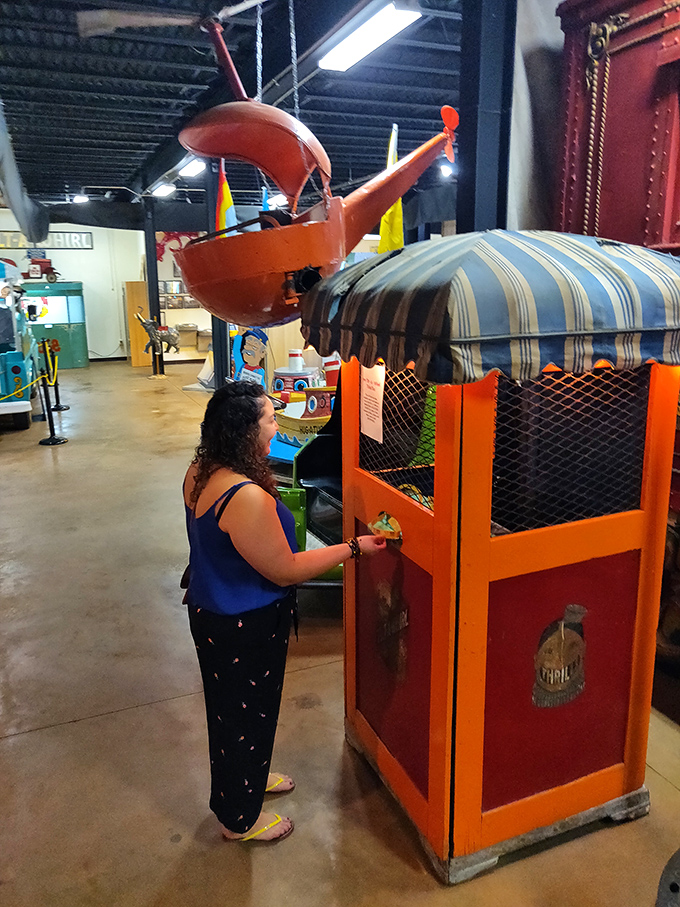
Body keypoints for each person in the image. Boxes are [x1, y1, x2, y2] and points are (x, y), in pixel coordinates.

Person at [183, 380, 386, 843]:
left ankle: (250, 779)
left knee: (238, 712)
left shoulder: (199, 471)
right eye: (270, 419)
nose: (276, 427)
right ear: (245, 431)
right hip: (243, 624)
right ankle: (239, 820)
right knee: (242, 716)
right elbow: (286, 569)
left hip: (212, 612)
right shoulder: (243, 496)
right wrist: (353, 548)